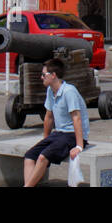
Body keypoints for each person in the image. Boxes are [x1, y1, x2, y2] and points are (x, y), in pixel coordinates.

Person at [23, 57, 89, 187]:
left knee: (42, 157)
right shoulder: (50, 91)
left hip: (71, 135)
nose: (41, 77)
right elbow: (49, 117)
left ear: (53, 75)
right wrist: (46, 140)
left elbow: (76, 117)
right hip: (59, 134)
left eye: (43, 74)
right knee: (30, 156)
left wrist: (79, 146)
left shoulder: (69, 91)